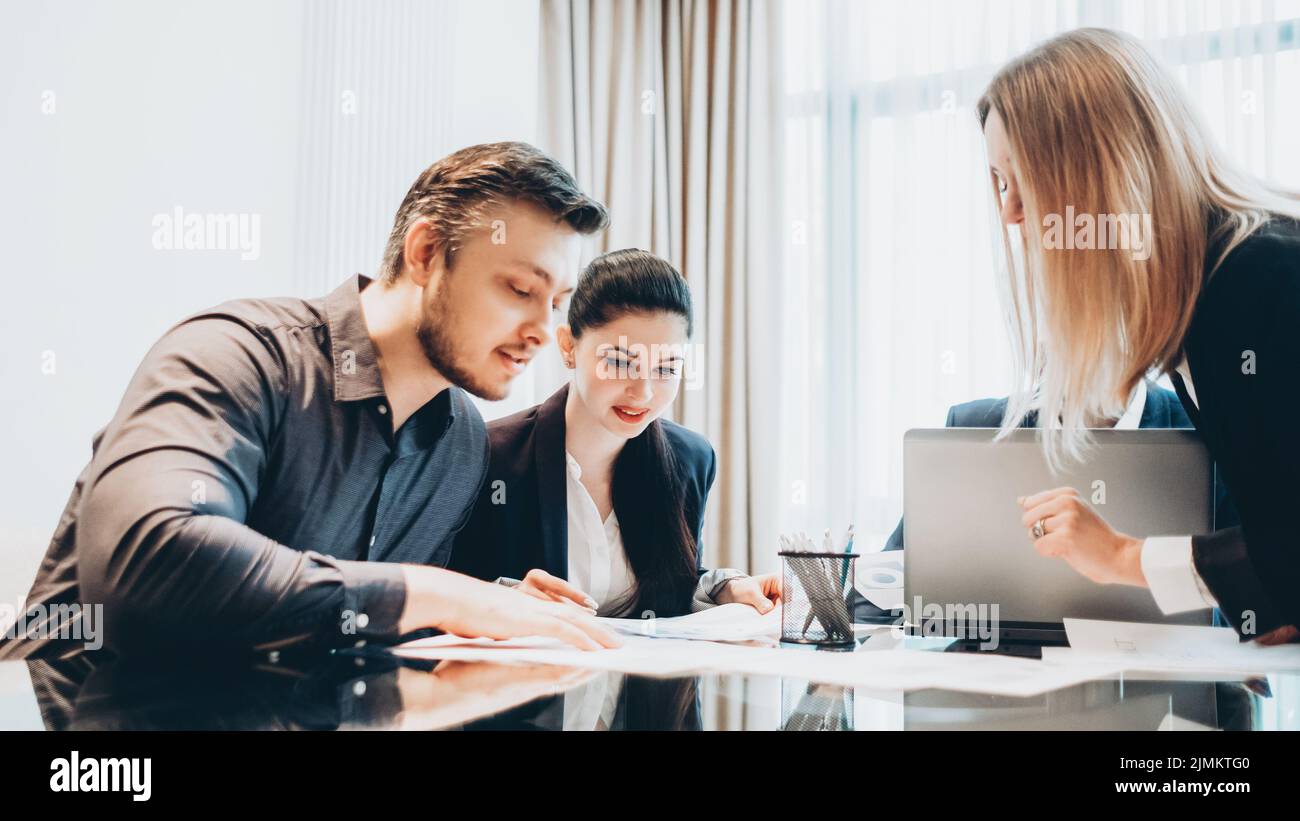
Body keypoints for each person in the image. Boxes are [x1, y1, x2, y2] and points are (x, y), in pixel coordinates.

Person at [0, 142, 623, 660]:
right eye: (520, 288)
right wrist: (443, 596)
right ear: (427, 252)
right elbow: (150, 563)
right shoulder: (236, 355)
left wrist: (495, 601)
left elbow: (350, 610)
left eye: (558, 301)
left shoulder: (460, 441)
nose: (546, 329)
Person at [976, 28, 1300, 642]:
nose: (1010, 214)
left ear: (1104, 168)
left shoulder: (1252, 283)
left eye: (1024, 177)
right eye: (998, 183)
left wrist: (1122, 556)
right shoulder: (1209, 299)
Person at [451, 249, 781, 619]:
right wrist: (504, 599)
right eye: (620, 362)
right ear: (568, 347)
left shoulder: (691, 459)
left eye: (667, 368)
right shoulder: (487, 455)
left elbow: (669, 589)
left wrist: (726, 588)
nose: (643, 392)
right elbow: (443, 588)